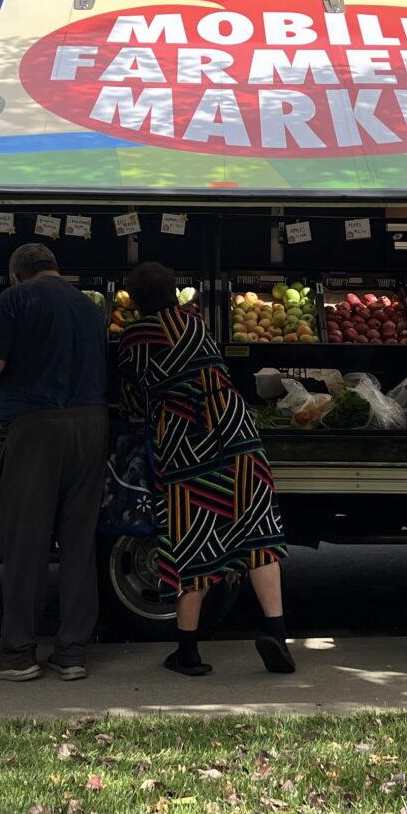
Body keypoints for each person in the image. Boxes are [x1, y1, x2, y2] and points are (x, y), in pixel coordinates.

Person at [117, 261, 295, 676]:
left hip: (185, 439)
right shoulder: (195, 322)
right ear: (175, 291)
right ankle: (276, 633)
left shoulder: (135, 336)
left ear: (136, 301)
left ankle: (188, 652)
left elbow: (131, 396)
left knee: (189, 538)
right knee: (258, 533)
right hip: (235, 430)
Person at [0, 242, 109, 681]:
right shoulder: (89, 306)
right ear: (54, 267)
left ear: (17, 274)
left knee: (26, 540)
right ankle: (72, 653)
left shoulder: (16, 298)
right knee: (80, 540)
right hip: (91, 425)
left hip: (37, 427)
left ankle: (19, 651)